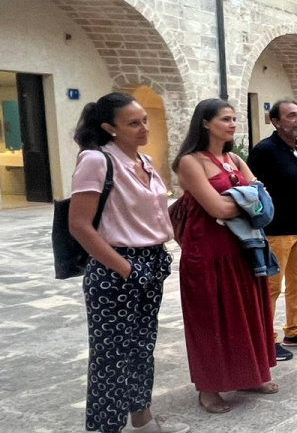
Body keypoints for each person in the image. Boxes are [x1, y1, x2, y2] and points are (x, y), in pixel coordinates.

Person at [68, 93, 188, 433]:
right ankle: (106, 428)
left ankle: (143, 419)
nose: (143, 128)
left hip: (150, 260)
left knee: (141, 347)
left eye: (144, 120)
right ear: (110, 128)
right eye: (133, 123)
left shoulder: (144, 160)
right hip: (116, 264)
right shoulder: (97, 160)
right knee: (111, 357)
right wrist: (126, 269)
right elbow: (79, 225)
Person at [173, 99, 276, 414]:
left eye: (234, 119)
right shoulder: (191, 162)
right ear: (205, 122)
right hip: (207, 251)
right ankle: (209, 388)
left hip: (241, 248)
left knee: (245, 312)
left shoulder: (233, 158)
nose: (232, 124)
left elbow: (262, 199)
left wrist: (244, 202)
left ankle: (250, 375)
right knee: (211, 318)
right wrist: (246, 202)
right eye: (225, 119)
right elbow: (216, 208)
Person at [248, 99, 297, 364]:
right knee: (271, 287)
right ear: (276, 121)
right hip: (275, 230)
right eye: (291, 116)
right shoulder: (265, 151)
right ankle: (266, 338)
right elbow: (252, 190)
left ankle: (294, 329)